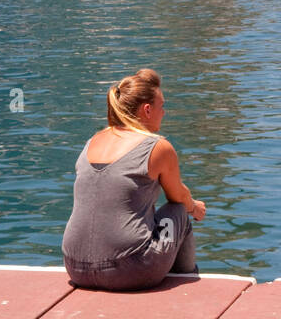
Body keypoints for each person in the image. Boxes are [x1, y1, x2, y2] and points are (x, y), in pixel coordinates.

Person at [62, 68, 206, 291]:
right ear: (147, 110)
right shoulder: (158, 147)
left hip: (74, 266)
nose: (164, 113)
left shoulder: (92, 141)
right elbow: (178, 196)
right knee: (177, 213)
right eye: (162, 106)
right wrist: (195, 207)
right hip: (131, 271)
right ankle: (187, 280)